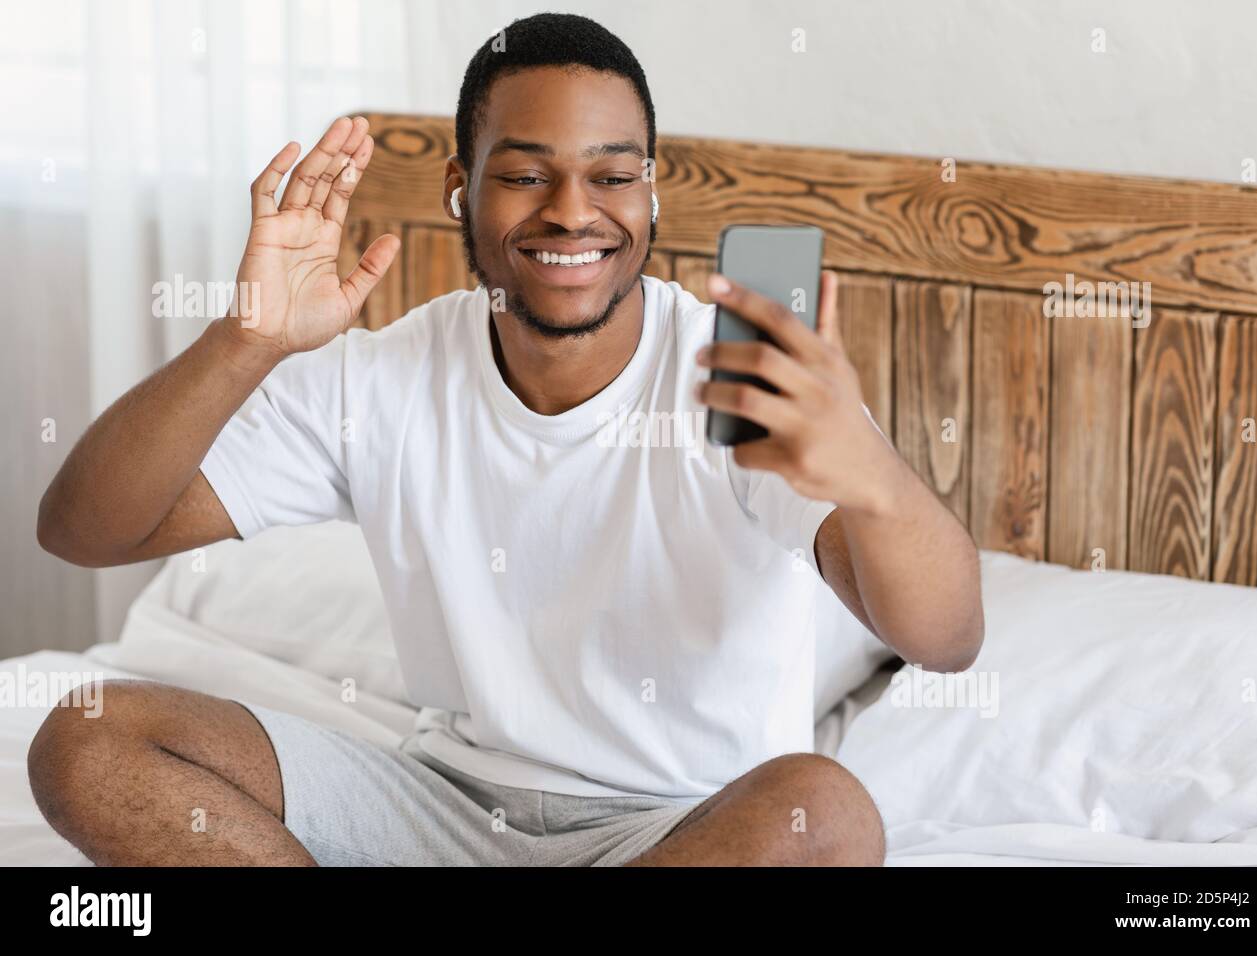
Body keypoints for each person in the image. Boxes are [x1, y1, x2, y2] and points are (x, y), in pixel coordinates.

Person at [29, 13, 982, 866]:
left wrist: (875, 485)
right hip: (443, 806)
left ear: (652, 193)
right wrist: (245, 343)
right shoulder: (384, 377)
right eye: (526, 175)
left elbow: (945, 642)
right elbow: (84, 531)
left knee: (826, 810)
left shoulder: (741, 376)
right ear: (460, 187)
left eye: (612, 175)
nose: (572, 210)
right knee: (89, 734)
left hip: (679, 830)